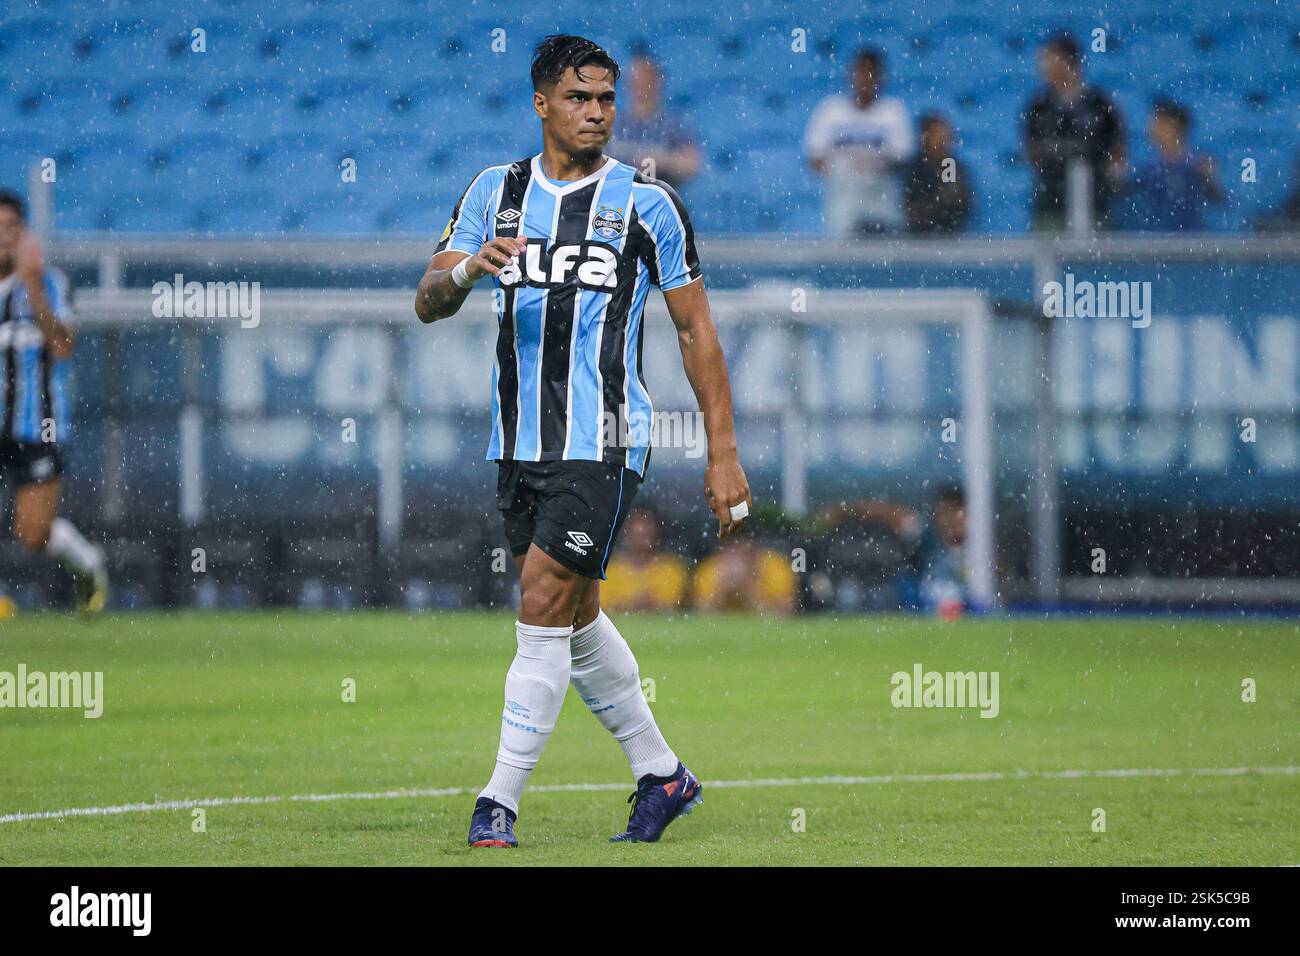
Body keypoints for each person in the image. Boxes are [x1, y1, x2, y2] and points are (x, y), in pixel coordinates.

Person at [414, 35, 751, 848]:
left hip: (606, 436)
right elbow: (427, 300)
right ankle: (662, 774)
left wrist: (724, 452)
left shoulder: (648, 203)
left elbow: (696, 331)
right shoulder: (494, 192)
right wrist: (466, 272)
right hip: (517, 440)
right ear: (542, 103)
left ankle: (497, 803)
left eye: (605, 99)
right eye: (578, 97)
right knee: (574, 616)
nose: (597, 112)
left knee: (539, 601)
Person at [0, 191, 108, 614]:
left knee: (32, 534)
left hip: (37, 426)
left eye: (10, 228)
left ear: (24, 234)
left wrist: (32, 285)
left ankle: (87, 562)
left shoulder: (50, 283)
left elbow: (62, 345)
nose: (3, 238)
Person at [803, 48, 915, 236]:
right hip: (843, 192)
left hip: (881, 191)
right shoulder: (831, 110)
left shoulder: (893, 111)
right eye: (861, 72)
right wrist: (844, 164)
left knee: (887, 240)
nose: (865, 79)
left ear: (880, 78)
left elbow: (905, 158)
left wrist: (874, 164)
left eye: (871, 73)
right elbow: (814, 158)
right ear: (851, 75)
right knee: (844, 241)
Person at [1023, 33, 1125, 231]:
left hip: (1095, 201)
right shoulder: (1039, 108)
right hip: (1051, 202)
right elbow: (1031, 153)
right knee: (1048, 244)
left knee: (1098, 247)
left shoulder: (1100, 105)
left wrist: (1105, 176)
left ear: (1070, 61)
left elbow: (1117, 153)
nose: (1044, 68)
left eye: (1050, 60)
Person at [821, 488, 967, 617]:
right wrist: (845, 511)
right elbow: (894, 514)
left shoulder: (977, 545)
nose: (949, 520)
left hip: (967, 608)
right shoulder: (928, 539)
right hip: (925, 609)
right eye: (944, 513)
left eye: (955, 512)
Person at [1119, 100, 1222, 231]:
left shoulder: (1198, 164)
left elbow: (1217, 199)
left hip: (1191, 236)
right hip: (1158, 235)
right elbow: (1124, 193)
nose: (1151, 129)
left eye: (1158, 123)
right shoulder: (1148, 169)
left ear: (1175, 126)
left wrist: (1208, 179)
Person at [606, 53, 701, 191]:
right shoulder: (613, 124)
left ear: (657, 82)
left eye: (645, 79)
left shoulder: (672, 125)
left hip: (661, 198)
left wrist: (663, 160)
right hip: (620, 199)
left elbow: (692, 164)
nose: (640, 85)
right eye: (636, 80)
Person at [600, 506, 689, 612]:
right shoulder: (610, 570)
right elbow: (603, 608)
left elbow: (678, 605)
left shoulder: (671, 568)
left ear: (657, 532)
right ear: (627, 533)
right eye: (638, 533)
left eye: (646, 531)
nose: (642, 536)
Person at [692, 529, 797, 615]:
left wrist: (748, 590)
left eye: (739, 546)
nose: (734, 554)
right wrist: (720, 592)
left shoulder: (773, 567)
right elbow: (698, 615)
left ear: (753, 548)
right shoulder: (710, 570)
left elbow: (786, 613)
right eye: (730, 547)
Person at [904, 113, 973, 233]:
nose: (941, 141)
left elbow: (956, 202)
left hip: (951, 232)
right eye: (936, 136)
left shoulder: (950, 165)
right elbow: (911, 210)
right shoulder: (915, 168)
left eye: (943, 136)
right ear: (924, 138)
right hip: (917, 235)